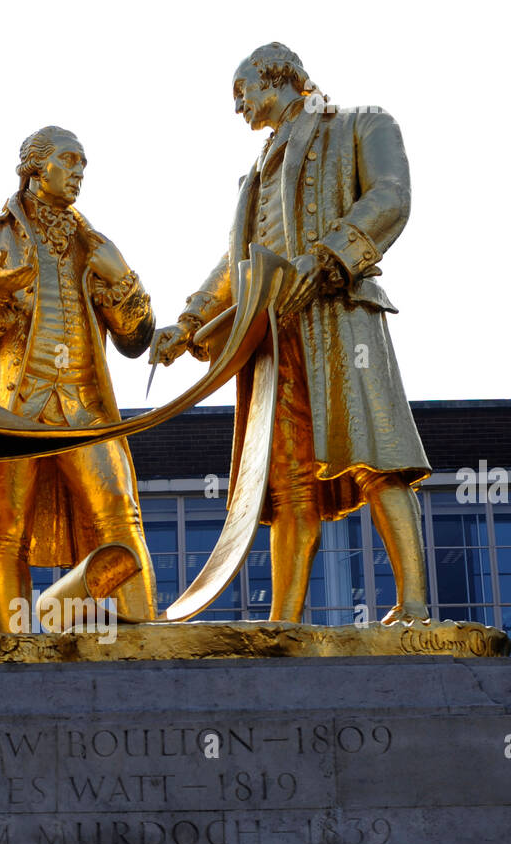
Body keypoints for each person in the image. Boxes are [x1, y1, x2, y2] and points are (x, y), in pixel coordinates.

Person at [151, 42, 431, 625]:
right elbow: (239, 264)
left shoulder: (362, 123)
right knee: (286, 484)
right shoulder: (252, 174)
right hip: (271, 338)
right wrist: (191, 320)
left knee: (375, 453)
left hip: (338, 315)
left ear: (276, 78)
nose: (239, 107)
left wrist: (331, 254)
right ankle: (285, 623)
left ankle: (414, 606)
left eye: (242, 91)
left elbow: (391, 196)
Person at [0, 125, 157, 630]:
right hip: (11, 408)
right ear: (35, 166)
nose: (79, 172)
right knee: (6, 533)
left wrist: (123, 280)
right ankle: (18, 647)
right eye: (69, 160)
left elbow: (136, 339)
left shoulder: (98, 247)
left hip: (84, 405)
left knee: (120, 515)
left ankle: (145, 637)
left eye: (83, 165)